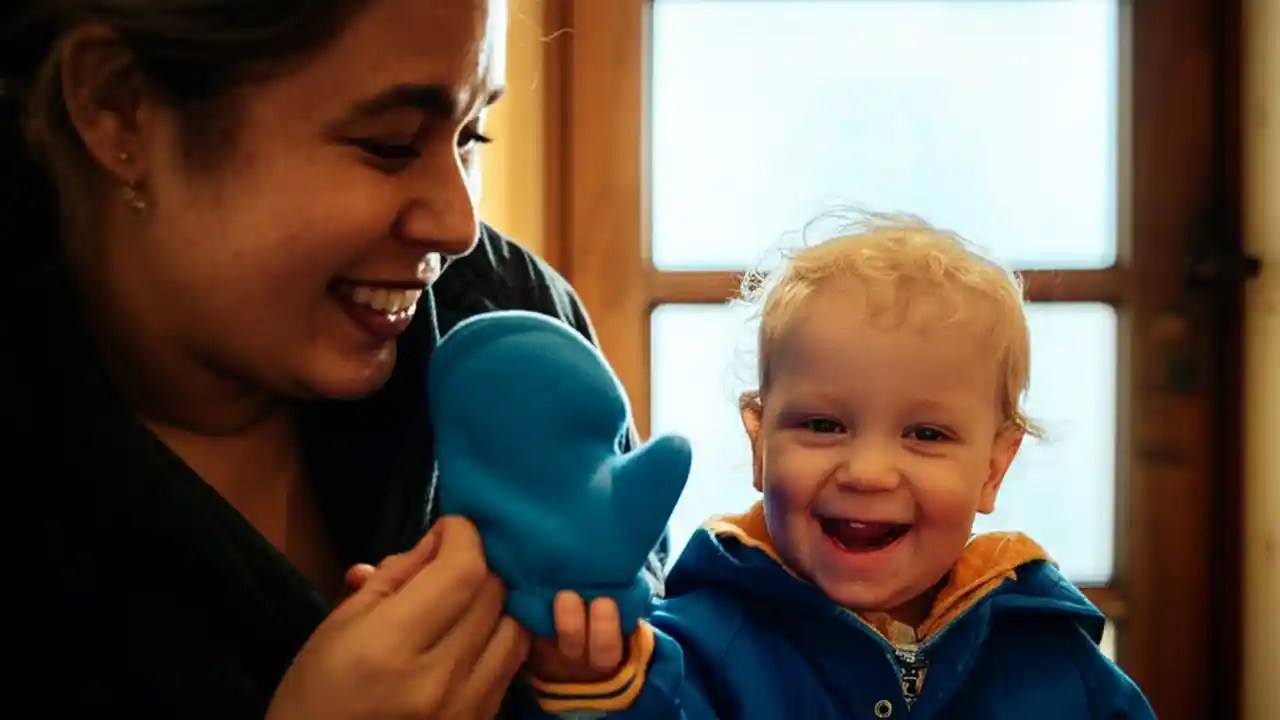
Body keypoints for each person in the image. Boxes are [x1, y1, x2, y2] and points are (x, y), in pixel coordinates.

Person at [3, 1, 662, 717]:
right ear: (118, 106)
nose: (458, 223)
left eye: (472, 134)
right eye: (390, 143)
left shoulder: (515, 329)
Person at [517, 215, 1156, 719]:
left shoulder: (1050, 655)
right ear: (760, 443)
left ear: (994, 468)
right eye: (823, 426)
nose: (869, 472)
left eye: (925, 434)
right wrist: (592, 687)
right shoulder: (696, 652)